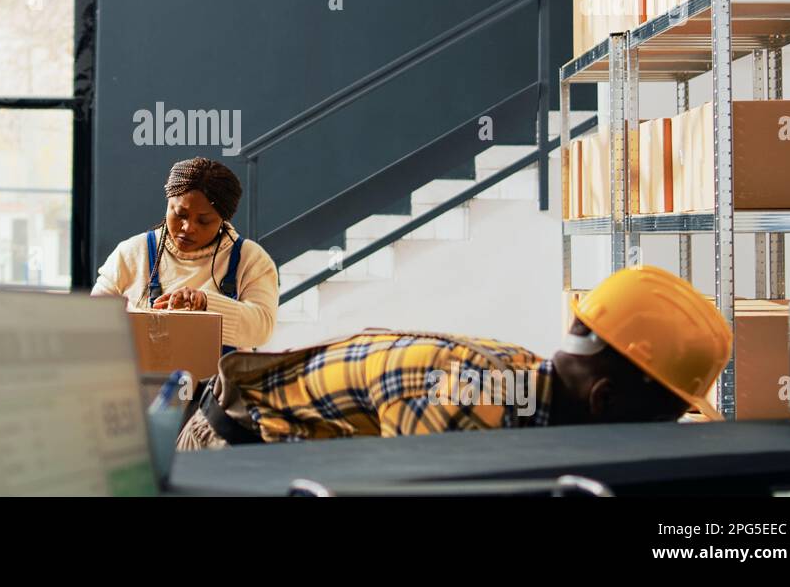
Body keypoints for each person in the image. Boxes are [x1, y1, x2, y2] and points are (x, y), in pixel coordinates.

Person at [177, 264, 732, 449]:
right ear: (605, 398)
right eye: (659, 422)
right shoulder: (464, 406)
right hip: (233, 450)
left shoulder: (522, 375)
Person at [92, 157, 279, 350]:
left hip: (221, 381)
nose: (188, 228)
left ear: (222, 219)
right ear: (168, 203)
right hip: (143, 380)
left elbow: (261, 329)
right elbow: (92, 319)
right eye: (180, 214)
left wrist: (206, 304)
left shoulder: (249, 259)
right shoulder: (132, 253)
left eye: (204, 221)